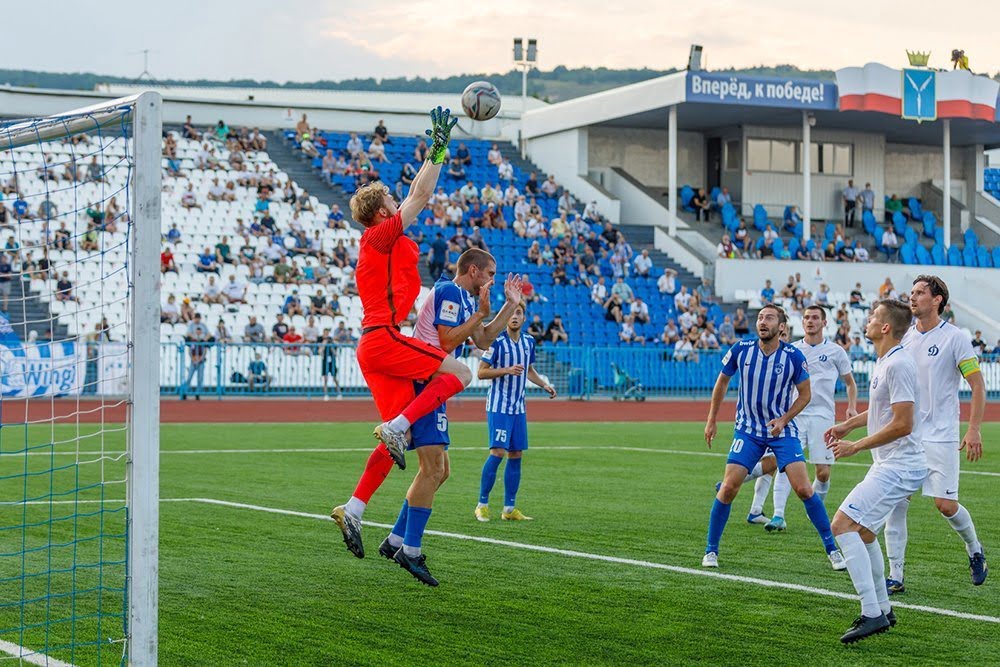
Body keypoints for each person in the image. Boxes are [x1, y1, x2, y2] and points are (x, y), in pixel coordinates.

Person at [331, 231, 522, 565]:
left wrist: (508, 305)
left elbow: (484, 340)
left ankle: (386, 533)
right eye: (490, 274)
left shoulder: (465, 299)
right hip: (425, 379)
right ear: (474, 270)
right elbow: (447, 342)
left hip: (435, 385)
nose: (492, 279)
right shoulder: (449, 290)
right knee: (430, 467)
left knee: (438, 470)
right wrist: (480, 313)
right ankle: (405, 546)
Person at [702, 305, 845, 571]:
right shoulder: (741, 349)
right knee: (729, 487)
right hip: (748, 429)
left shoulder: (792, 355)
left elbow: (805, 395)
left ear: (781, 326)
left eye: (769, 318)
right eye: (759, 318)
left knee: (804, 488)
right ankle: (711, 550)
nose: (762, 322)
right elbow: (721, 382)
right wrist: (711, 420)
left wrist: (784, 419)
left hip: (783, 430)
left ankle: (832, 550)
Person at [825, 299, 926, 644]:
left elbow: (903, 424)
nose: (867, 321)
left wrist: (856, 445)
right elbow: (879, 411)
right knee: (864, 533)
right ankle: (883, 608)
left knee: (840, 525)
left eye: (873, 317)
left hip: (899, 466)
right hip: (891, 464)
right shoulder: (886, 361)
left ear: (885, 328)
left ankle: (871, 613)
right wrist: (847, 426)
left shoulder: (898, 364)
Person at [883, 276, 987, 594]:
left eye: (919, 293)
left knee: (945, 505)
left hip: (941, 435)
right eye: (911, 293)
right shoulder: (903, 340)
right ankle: (895, 575)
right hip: (907, 435)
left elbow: (978, 385)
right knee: (896, 502)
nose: (912, 298)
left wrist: (973, 429)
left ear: (937, 299)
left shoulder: (955, 338)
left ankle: (975, 549)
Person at [753, 306, 859, 531]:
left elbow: (850, 382)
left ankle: (815, 509)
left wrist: (851, 406)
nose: (810, 321)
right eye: (806, 318)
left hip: (823, 417)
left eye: (815, 318)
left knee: (823, 472)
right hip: (795, 416)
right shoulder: (792, 350)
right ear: (802, 323)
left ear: (824, 322)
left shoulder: (836, 351)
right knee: (786, 464)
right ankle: (778, 516)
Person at [475, 300, 557, 523]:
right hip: (499, 406)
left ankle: (509, 508)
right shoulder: (497, 342)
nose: (514, 316)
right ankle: (482, 504)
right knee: (498, 453)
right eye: (511, 312)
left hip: (519, 408)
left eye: (518, 313)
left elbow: (529, 370)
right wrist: (506, 370)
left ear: (523, 318)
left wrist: (544, 384)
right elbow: (481, 373)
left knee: (516, 454)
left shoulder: (529, 342)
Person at [320, 329, 342, 401]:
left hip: (332, 362)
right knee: (325, 378)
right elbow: (320, 351)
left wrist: (331, 345)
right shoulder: (321, 341)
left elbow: (335, 353)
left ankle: (339, 393)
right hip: (325, 361)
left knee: (335, 378)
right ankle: (326, 394)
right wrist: (324, 343)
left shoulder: (332, 342)